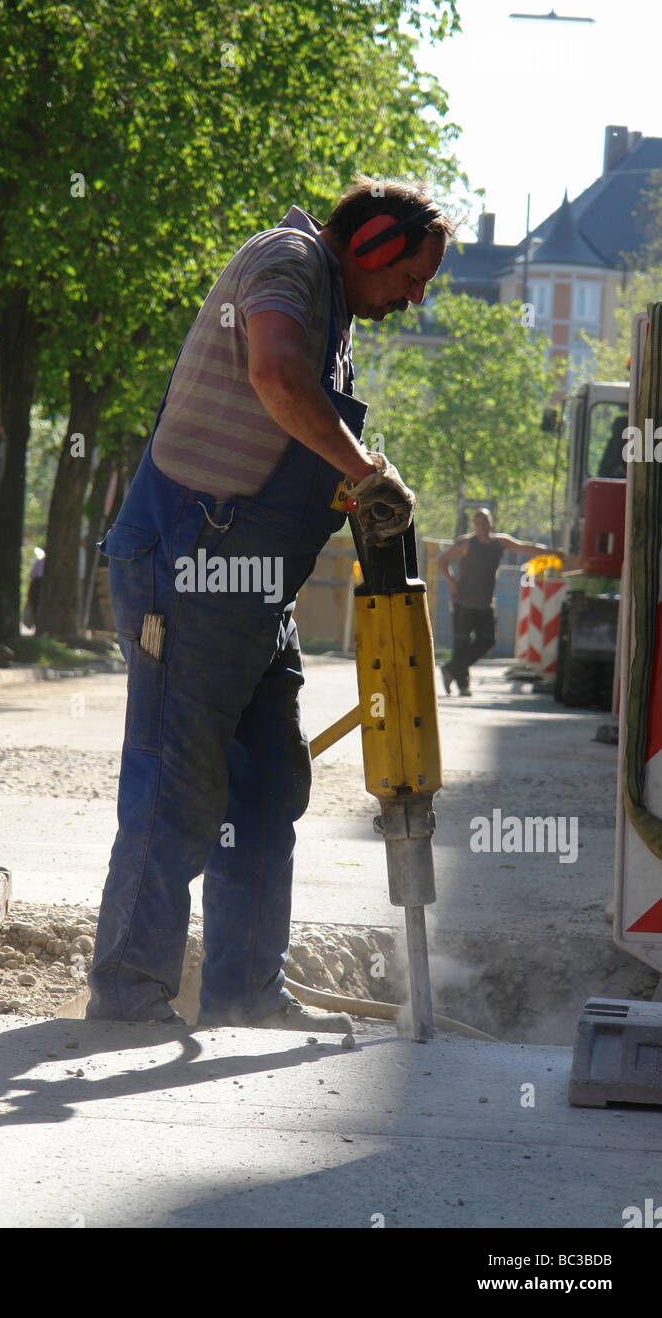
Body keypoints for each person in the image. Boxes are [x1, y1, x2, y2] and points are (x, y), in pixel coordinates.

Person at [86, 178, 454, 1033]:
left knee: (266, 789)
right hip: (189, 562)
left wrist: (358, 481)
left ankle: (246, 993)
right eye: (412, 275)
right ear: (369, 247)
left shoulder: (335, 310)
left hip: (249, 583)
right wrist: (363, 474)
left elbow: (299, 418)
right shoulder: (286, 262)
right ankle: (129, 991)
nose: (415, 296)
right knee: (178, 783)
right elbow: (277, 377)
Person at [438, 510, 545, 696]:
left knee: (487, 640)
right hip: (463, 601)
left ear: (491, 523)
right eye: (478, 521)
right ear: (474, 524)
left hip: (485, 603)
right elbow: (442, 561)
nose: (481, 525)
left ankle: (451, 669)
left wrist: (550, 553)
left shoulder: (499, 543)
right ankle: (463, 685)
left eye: (485, 521)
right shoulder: (465, 543)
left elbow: (524, 547)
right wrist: (452, 583)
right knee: (461, 643)